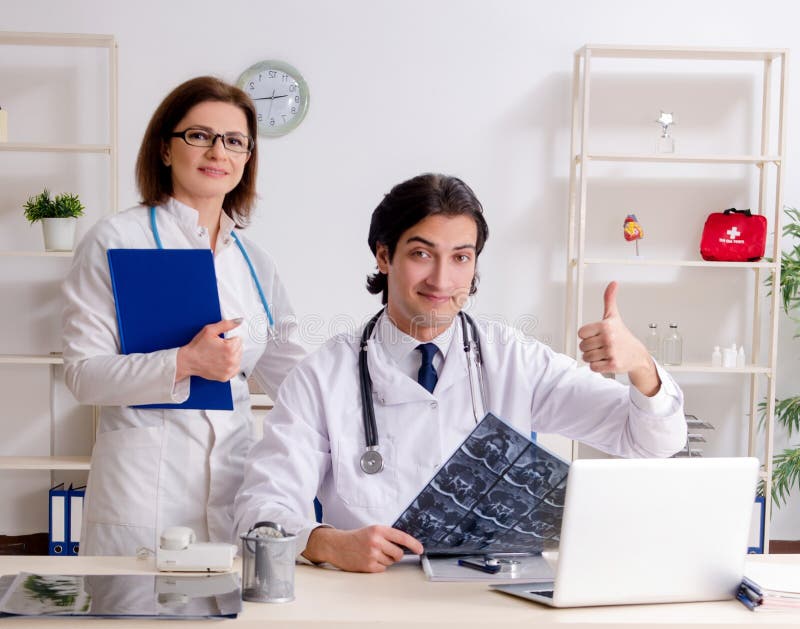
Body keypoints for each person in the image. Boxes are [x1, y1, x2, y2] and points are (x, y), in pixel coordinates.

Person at [234, 173, 686, 573]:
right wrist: (327, 543)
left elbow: (650, 441)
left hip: (493, 600)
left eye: (461, 258)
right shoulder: (322, 376)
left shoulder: (513, 359)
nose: (442, 280)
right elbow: (259, 509)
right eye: (421, 253)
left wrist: (641, 366)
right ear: (383, 256)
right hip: (373, 602)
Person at [62, 76, 305, 555]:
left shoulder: (254, 261)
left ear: (247, 158)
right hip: (142, 498)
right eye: (199, 135)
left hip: (235, 488)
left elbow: (297, 377)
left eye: (234, 141)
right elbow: (82, 375)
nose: (218, 152)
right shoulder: (115, 240)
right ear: (166, 149)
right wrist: (185, 363)